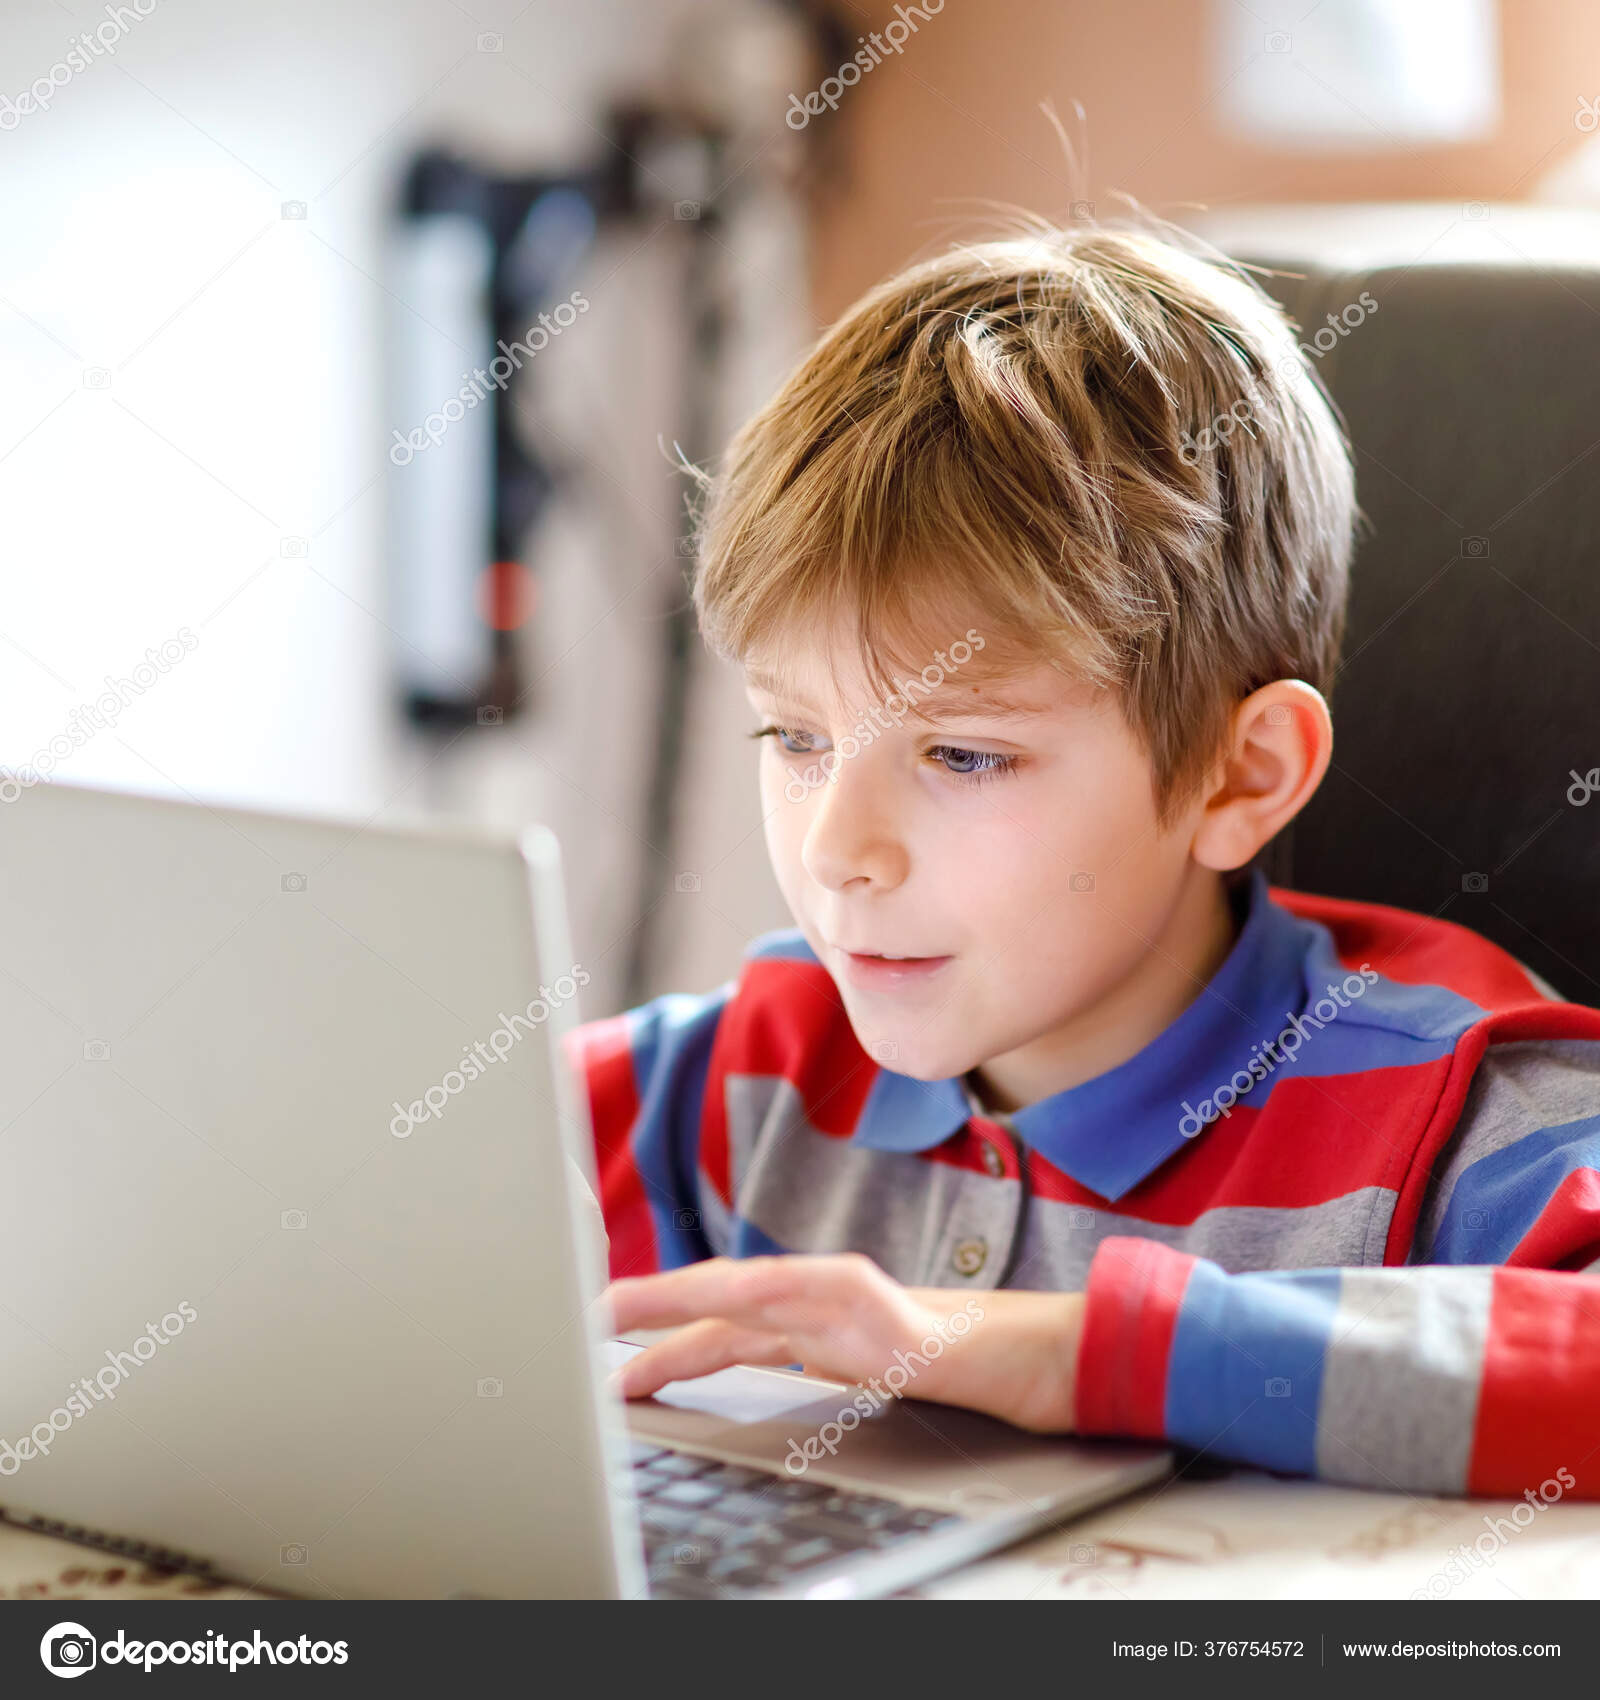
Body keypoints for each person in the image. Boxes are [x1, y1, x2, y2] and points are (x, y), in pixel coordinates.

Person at [563, 220, 1600, 1499]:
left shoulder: (1455, 1117)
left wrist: (1076, 1353)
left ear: (1242, 773)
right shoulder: (731, 1084)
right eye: (795, 735)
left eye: (963, 755)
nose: (837, 852)